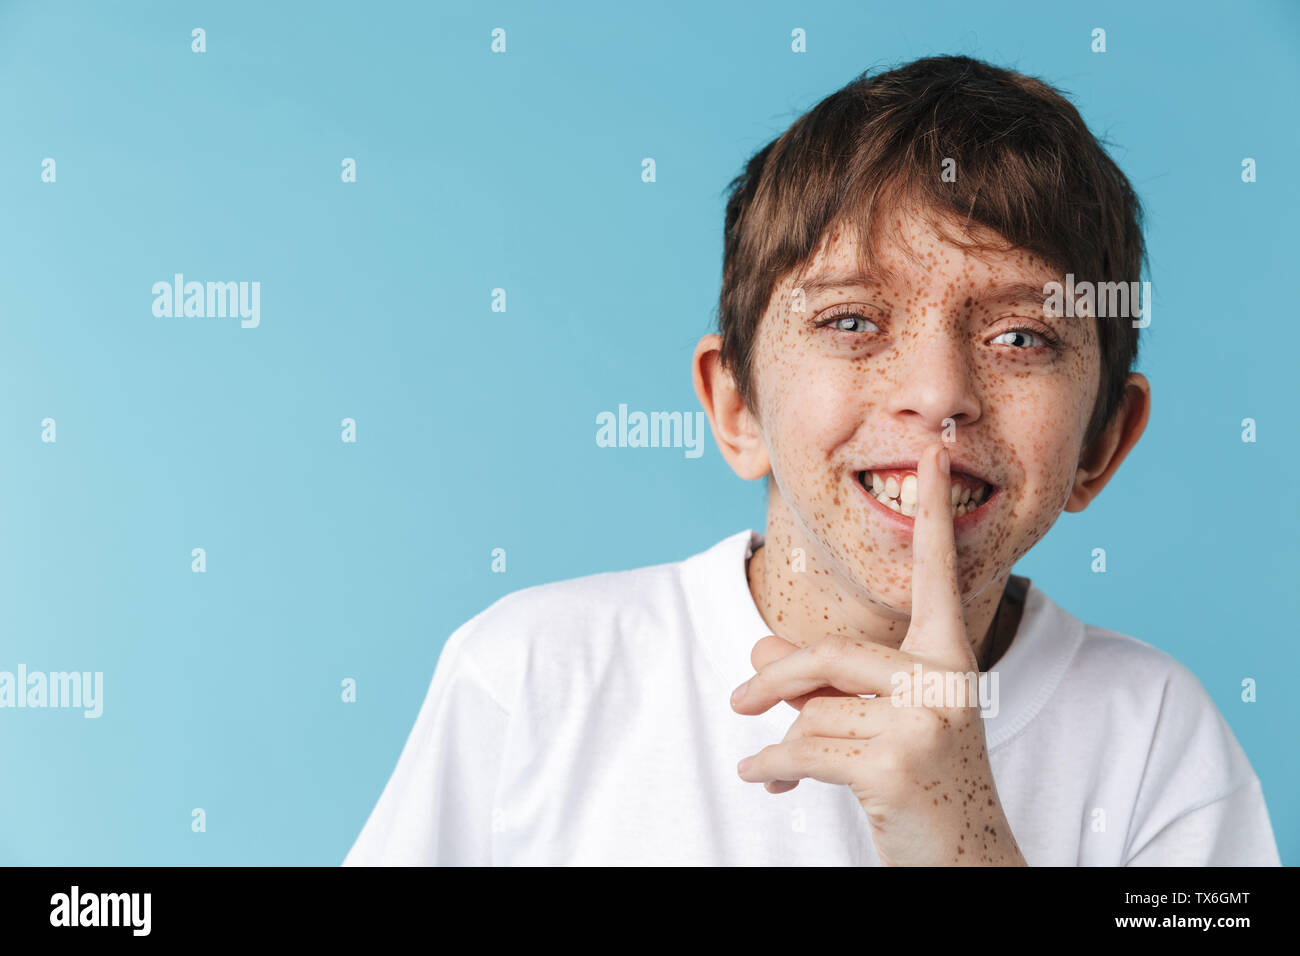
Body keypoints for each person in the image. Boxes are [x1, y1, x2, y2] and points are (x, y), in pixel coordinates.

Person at [343, 55, 1280, 866]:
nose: (939, 393)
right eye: (852, 321)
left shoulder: (1160, 736)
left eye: (1022, 337)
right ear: (737, 404)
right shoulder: (530, 675)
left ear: (1101, 445)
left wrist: (964, 841)